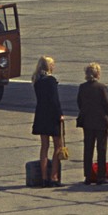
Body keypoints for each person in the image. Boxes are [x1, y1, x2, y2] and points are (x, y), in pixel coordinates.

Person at [76, 62, 108, 185]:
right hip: (100, 121)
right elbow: (107, 105)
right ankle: (101, 176)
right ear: (97, 73)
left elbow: (79, 103)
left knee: (88, 149)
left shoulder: (82, 87)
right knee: (101, 150)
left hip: (87, 121)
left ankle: (88, 175)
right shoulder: (101, 87)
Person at [31, 56, 64, 187]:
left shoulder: (37, 81)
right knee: (58, 146)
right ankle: (54, 177)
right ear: (49, 66)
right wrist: (60, 114)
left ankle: (44, 177)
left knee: (44, 147)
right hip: (51, 115)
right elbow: (55, 100)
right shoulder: (51, 81)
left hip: (41, 114)